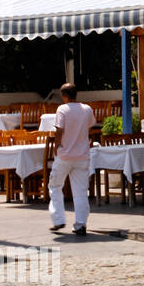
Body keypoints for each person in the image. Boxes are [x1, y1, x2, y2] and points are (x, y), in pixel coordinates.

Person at [48, 84, 96, 235]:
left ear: (64, 96)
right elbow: (89, 127)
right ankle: (81, 224)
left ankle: (58, 219)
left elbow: (59, 131)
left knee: (55, 186)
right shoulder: (87, 109)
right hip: (82, 156)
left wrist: (57, 148)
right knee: (81, 192)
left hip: (64, 156)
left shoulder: (62, 109)